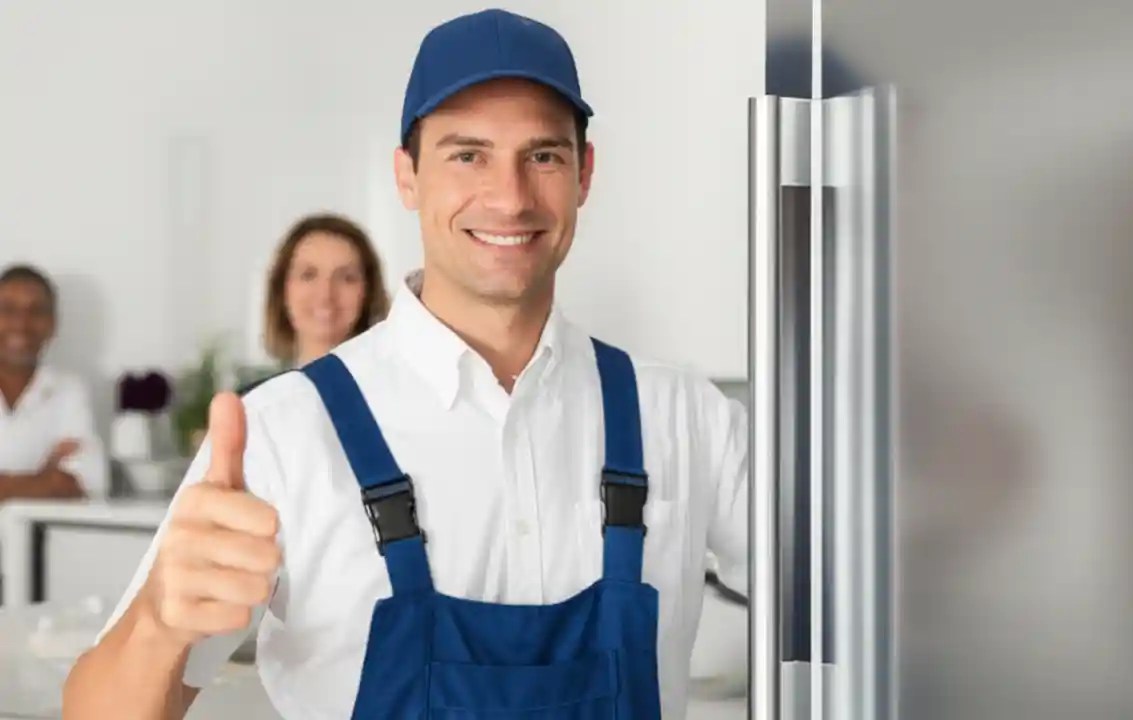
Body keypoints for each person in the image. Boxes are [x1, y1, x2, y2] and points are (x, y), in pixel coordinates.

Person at [64, 9, 746, 719]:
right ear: (407, 175)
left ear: (585, 173)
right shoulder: (285, 432)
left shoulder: (685, 419)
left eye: (542, 155)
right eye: (467, 154)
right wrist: (158, 627)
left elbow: (847, 598)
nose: (510, 197)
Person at [0, 264, 108, 503]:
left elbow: (87, 481)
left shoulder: (68, 391)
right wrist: (41, 479)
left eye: (36, 311)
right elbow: (56, 484)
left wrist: (8, 486)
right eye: (8, 310)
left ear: (52, 325)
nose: (21, 324)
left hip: (36, 541)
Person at [260, 213, 390, 369]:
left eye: (346, 278)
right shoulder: (256, 393)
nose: (325, 294)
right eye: (308, 275)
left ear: (369, 292)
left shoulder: (400, 391)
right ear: (281, 290)